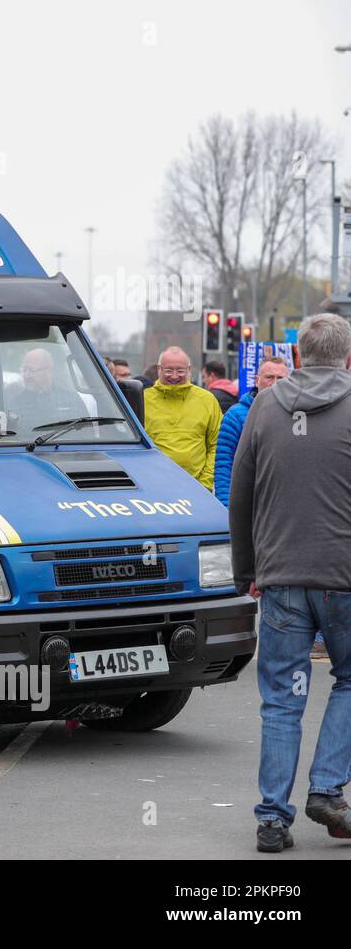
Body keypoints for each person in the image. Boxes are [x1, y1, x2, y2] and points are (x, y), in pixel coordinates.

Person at [230, 313, 351, 853]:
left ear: (299, 356)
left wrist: (246, 570)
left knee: (281, 701)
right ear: (346, 357)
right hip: (344, 578)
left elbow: (241, 493)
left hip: (279, 577)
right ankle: (326, 788)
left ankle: (272, 819)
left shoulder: (263, 406)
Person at [143, 346, 221, 489]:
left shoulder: (207, 400)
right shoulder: (142, 400)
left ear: (189, 370)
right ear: (159, 369)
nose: (174, 376)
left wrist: (205, 483)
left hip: (197, 488)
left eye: (180, 370)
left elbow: (216, 444)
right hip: (153, 487)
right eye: (168, 370)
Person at [214, 357, 288, 507]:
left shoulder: (295, 414)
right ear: (256, 380)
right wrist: (226, 506)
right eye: (269, 377)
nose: (274, 383)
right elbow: (224, 463)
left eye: (280, 378)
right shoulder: (235, 416)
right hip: (247, 504)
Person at [4, 346, 88, 434]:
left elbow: (87, 434)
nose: (27, 376)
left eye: (32, 370)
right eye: (24, 370)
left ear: (49, 371)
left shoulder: (71, 399)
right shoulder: (16, 403)